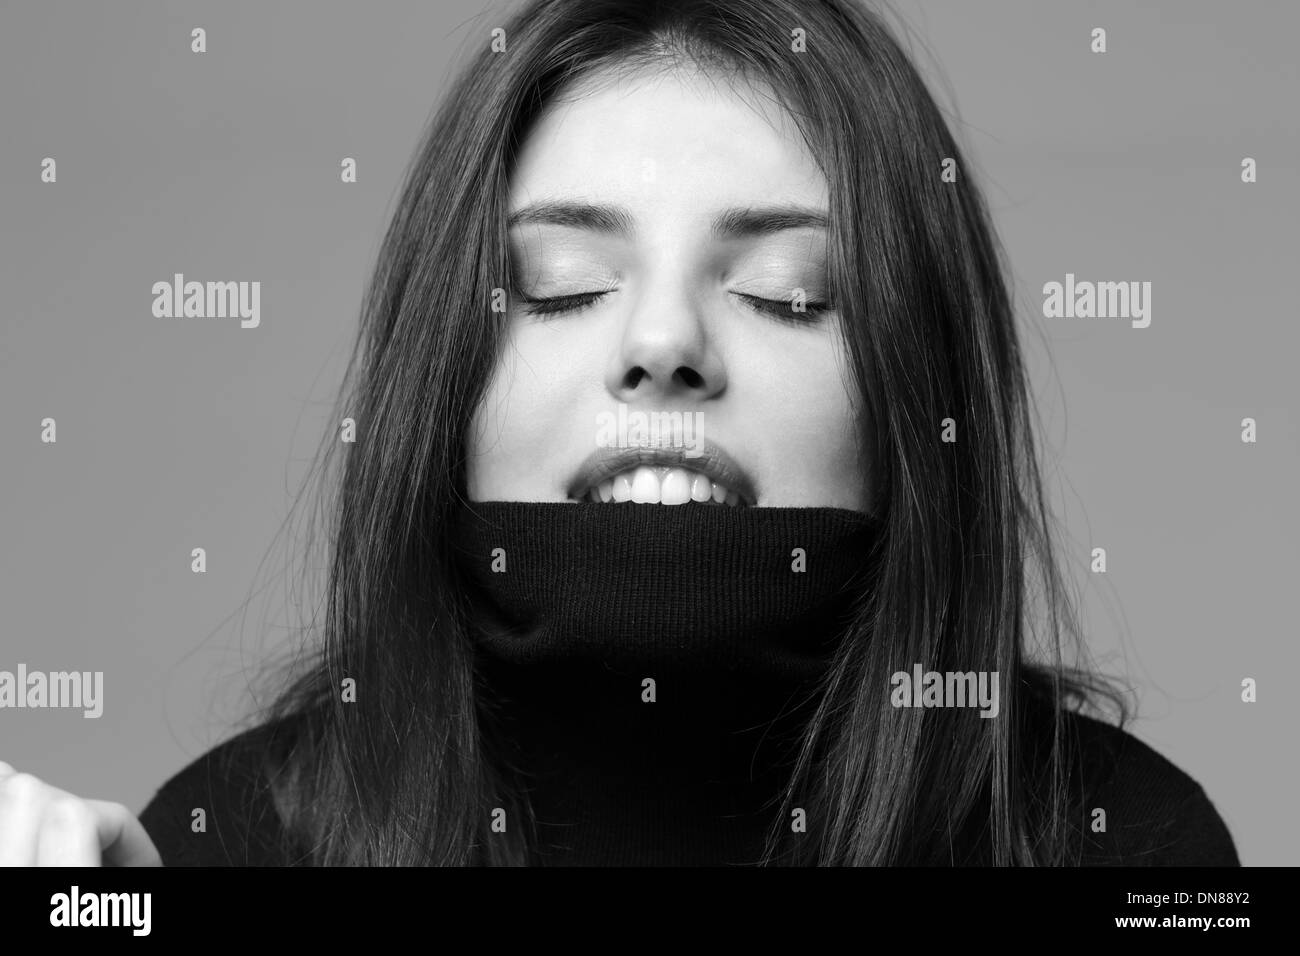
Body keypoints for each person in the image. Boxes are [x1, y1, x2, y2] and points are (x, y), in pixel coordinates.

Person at [0, 0, 1238, 867]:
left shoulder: (1125, 847)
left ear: (917, 401)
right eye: (558, 286)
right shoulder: (213, 847)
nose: (661, 341)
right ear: (444, 389)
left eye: (788, 294)